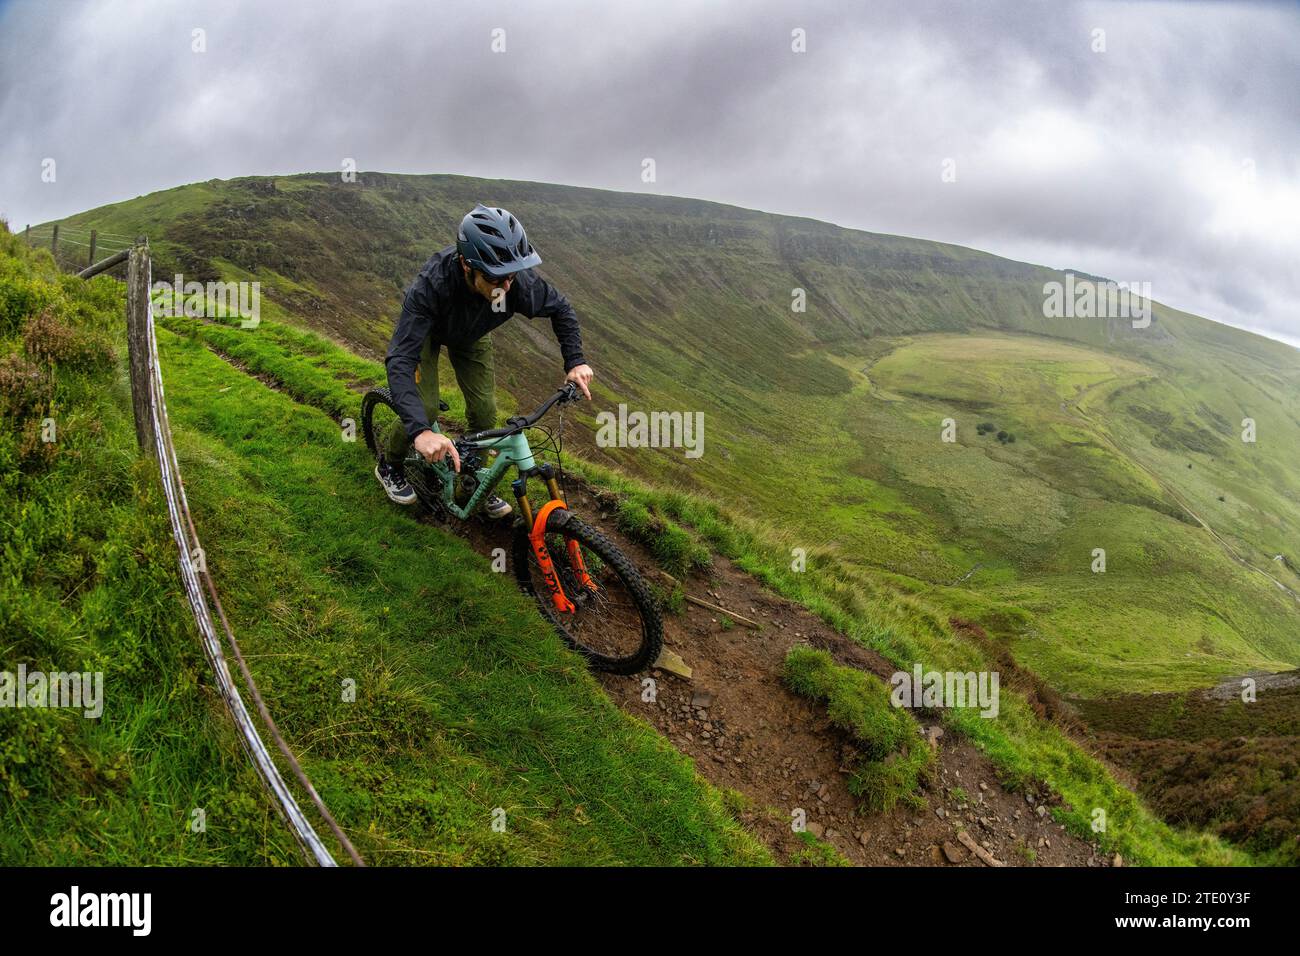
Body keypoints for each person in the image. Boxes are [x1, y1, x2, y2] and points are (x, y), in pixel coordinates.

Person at [377, 203, 594, 517]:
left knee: (484, 413)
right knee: (422, 409)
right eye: (495, 279)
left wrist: (575, 361)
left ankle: (473, 481)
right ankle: (390, 465)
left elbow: (561, 309)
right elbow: (400, 359)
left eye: (511, 278)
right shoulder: (431, 286)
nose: (506, 287)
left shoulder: (511, 283)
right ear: (467, 265)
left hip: (472, 335)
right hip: (426, 333)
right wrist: (420, 433)